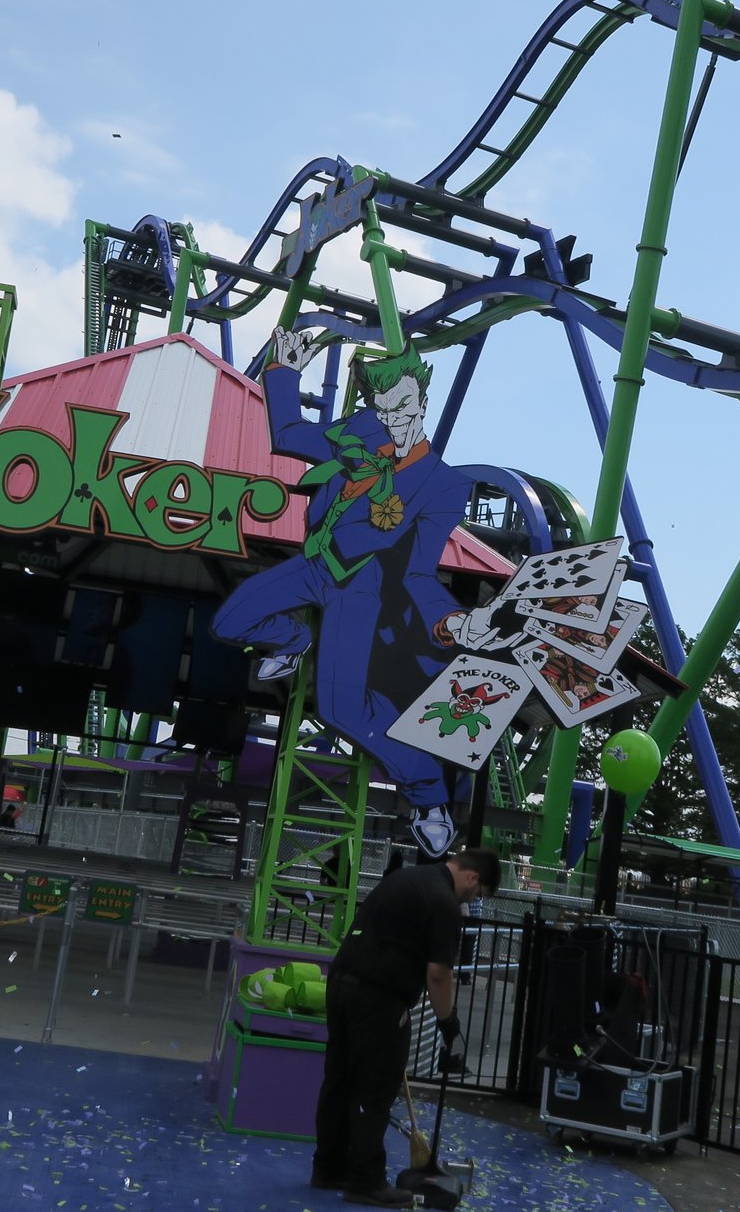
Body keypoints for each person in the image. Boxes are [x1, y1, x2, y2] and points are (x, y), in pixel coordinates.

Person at [214, 327, 507, 857]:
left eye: (402, 409)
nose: (392, 420)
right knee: (230, 619)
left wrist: (454, 622)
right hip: (312, 563)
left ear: (422, 400)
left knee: (343, 709)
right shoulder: (365, 429)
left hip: (360, 589)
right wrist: (284, 371)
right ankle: (292, 638)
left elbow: (420, 573)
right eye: (383, 408)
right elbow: (288, 435)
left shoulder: (441, 486)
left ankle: (428, 795)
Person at [312, 845, 499, 1207]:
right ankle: (366, 1181)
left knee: (339, 1080)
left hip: (340, 984)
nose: (471, 899)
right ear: (472, 877)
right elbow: (439, 974)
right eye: (476, 892)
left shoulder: (408, 878)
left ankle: (328, 1167)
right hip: (379, 997)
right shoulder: (443, 902)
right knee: (375, 1088)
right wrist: (447, 1021)